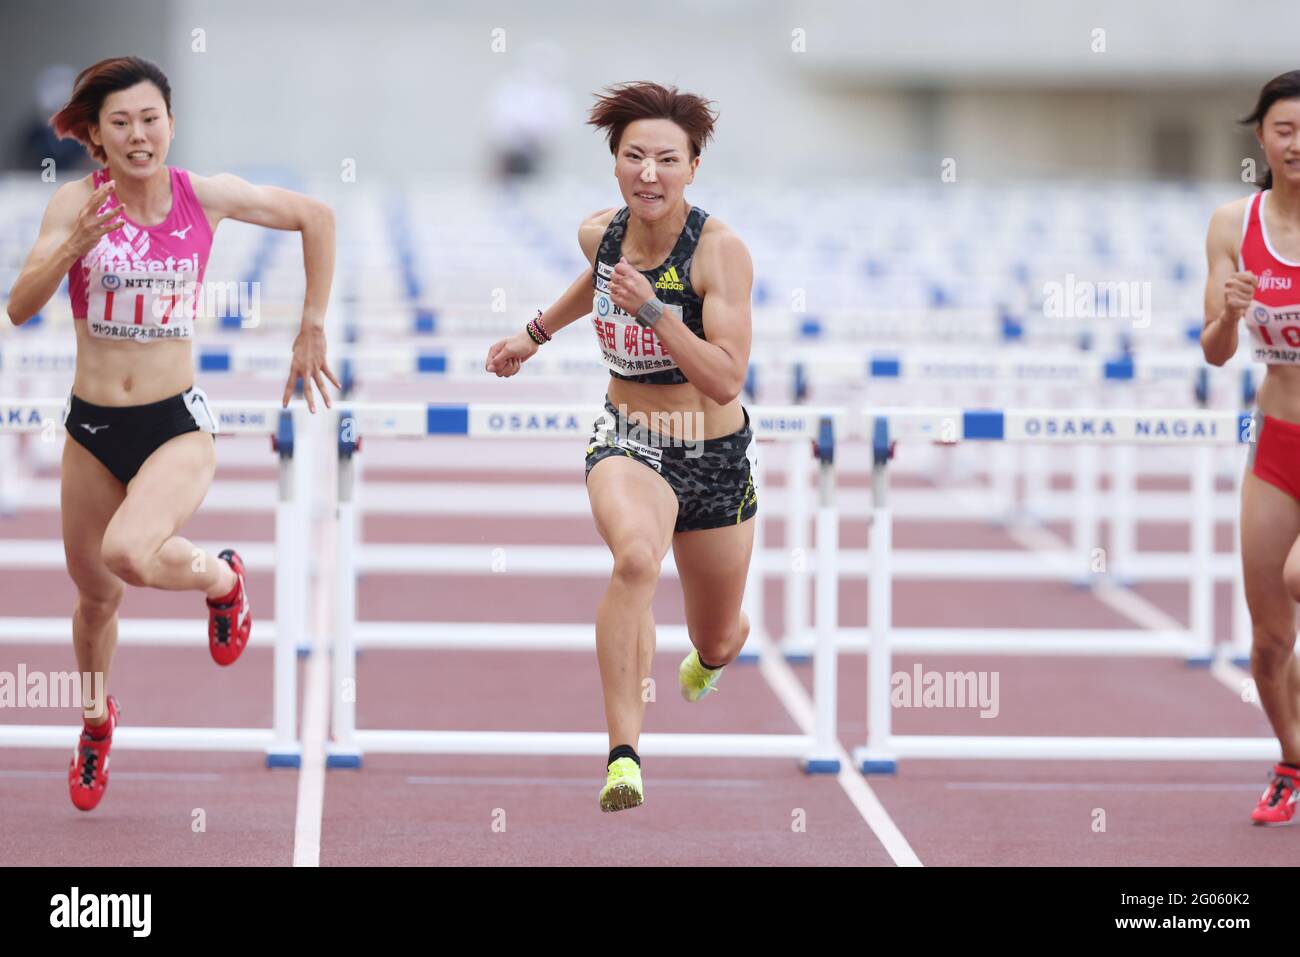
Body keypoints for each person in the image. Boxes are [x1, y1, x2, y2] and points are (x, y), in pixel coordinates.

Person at [6, 56, 340, 812]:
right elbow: (20, 306)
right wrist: (71, 244)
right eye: (119, 123)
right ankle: (96, 725)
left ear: (171, 123)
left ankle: (222, 579)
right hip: (91, 426)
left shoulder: (204, 196)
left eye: (150, 119)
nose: (138, 135)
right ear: (96, 136)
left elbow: (316, 217)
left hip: (174, 424)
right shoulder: (73, 203)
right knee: (94, 595)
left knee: (126, 554)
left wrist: (309, 327)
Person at [485, 81, 756, 811]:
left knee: (720, 635)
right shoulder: (598, 232)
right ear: (614, 163)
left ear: (693, 166)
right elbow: (599, 277)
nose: (649, 172)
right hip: (629, 436)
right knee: (636, 556)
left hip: (714, 454)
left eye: (667, 159)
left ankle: (712, 654)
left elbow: (727, 379)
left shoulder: (721, 253)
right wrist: (533, 335)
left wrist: (658, 314)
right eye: (634, 156)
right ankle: (624, 755)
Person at [1202, 69, 1300, 825]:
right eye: (1284, 130)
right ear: (1261, 138)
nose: (1297, 144)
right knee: (1268, 643)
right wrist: (1230, 317)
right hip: (1274, 442)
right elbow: (1214, 353)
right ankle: (1292, 760)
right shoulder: (1234, 224)